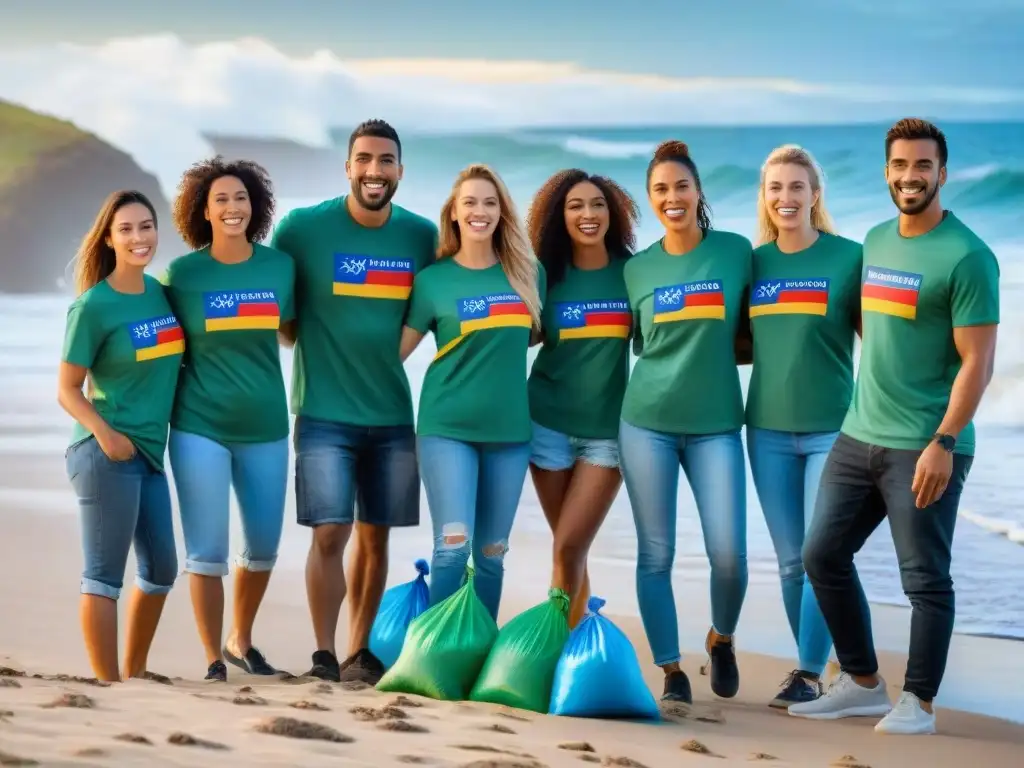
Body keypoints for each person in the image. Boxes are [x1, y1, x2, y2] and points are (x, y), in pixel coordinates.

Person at [790, 119, 1000, 735]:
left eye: (923, 167)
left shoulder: (968, 256)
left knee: (924, 578)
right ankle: (860, 682)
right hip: (859, 435)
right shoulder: (876, 242)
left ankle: (920, 703)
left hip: (926, 445)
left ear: (942, 172)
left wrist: (944, 440)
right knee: (822, 554)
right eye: (900, 166)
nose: (910, 178)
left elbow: (977, 363)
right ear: (886, 172)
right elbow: (872, 331)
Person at [270, 119, 437, 684]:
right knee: (328, 532)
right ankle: (322, 651)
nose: (374, 171)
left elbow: (455, 299)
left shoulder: (421, 237)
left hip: (392, 413)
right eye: (364, 159)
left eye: (386, 160)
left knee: (375, 535)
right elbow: (280, 313)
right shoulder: (301, 229)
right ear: (347, 167)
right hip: (322, 411)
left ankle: (357, 651)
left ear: (400, 171)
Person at [617, 140, 752, 705]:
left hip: (718, 424)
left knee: (729, 553)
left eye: (680, 186)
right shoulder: (636, 269)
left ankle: (721, 638)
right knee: (656, 553)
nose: (672, 198)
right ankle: (671, 669)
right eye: (660, 190)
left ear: (698, 192)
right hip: (645, 422)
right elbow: (641, 345)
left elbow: (756, 328)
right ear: (651, 200)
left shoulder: (737, 252)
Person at [164, 157, 294, 682]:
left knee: (263, 545)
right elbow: (156, 346)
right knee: (207, 549)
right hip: (199, 426)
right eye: (220, 199)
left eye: (240, 197)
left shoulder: (279, 267)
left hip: (266, 424)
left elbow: (295, 329)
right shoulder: (183, 275)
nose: (232, 207)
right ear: (203, 210)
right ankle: (212, 657)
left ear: (255, 206)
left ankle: (240, 638)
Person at [744, 144, 864, 708]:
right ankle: (818, 671)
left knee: (821, 553)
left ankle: (811, 672)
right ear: (765, 198)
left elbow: (882, 341)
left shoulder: (848, 258)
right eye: (776, 188)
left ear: (815, 195)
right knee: (792, 560)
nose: (786, 198)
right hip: (764, 431)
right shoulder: (753, 264)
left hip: (834, 431)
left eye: (797, 187)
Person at [399, 163, 545, 620]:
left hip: (510, 434)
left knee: (491, 554)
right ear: (455, 214)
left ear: (501, 212)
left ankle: (477, 652)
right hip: (447, 430)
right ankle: (436, 651)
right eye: (470, 203)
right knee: (452, 547)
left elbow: (536, 340)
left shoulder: (527, 275)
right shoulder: (433, 281)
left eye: (490, 202)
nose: (480, 211)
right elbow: (392, 356)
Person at [57, 190, 183, 682]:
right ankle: (108, 685)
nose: (138, 237)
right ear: (109, 238)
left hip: (150, 454)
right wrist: (105, 435)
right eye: (126, 229)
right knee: (104, 576)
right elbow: (67, 389)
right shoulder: (93, 307)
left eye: (146, 226)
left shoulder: (160, 294)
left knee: (161, 570)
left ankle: (134, 671)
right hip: (103, 454)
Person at [524, 169, 639, 628]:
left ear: (613, 213)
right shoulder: (543, 276)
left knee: (570, 545)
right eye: (575, 206)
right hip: (545, 424)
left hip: (607, 434)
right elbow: (514, 335)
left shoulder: (633, 273)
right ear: (559, 216)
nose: (588, 214)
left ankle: (561, 644)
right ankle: (570, 646)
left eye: (597, 204)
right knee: (568, 547)